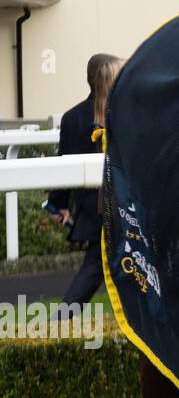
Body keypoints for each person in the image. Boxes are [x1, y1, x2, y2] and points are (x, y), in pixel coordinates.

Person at [48, 54, 124, 305]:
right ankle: (60, 322)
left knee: (104, 267)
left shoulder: (72, 118)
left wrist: (58, 204)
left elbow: (64, 165)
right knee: (98, 267)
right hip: (120, 207)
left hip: (92, 209)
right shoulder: (126, 115)